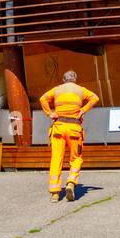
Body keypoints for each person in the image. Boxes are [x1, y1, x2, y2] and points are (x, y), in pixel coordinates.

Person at [39, 70, 100, 201]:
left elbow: (42, 98)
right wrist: (83, 110)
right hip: (74, 128)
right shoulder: (81, 90)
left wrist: (50, 113)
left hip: (58, 127)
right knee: (76, 158)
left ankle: (55, 193)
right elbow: (95, 98)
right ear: (75, 79)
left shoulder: (56, 90)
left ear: (63, 79)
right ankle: (71, 182)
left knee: (56, 159)